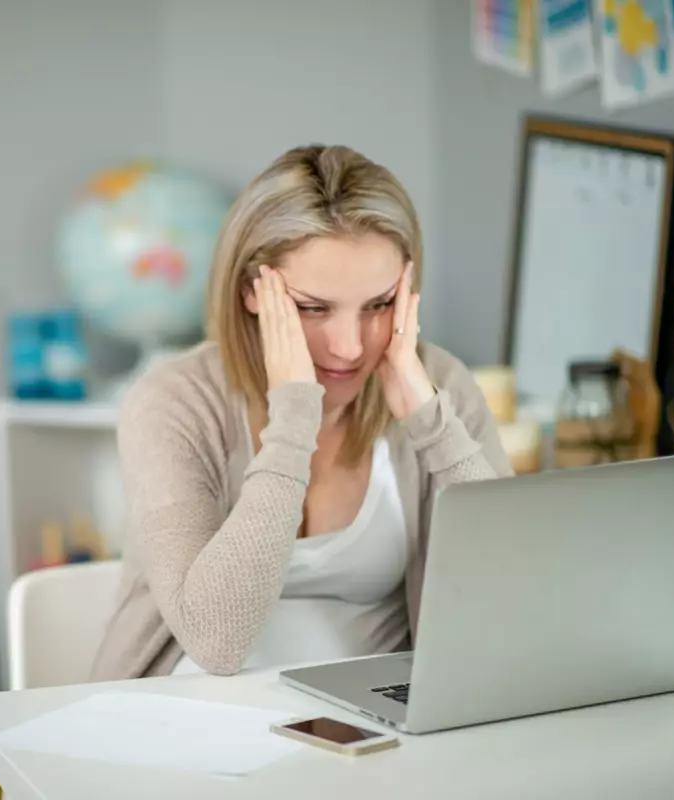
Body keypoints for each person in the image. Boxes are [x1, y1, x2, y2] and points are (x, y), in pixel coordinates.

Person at [90, 144, 513, 681]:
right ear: (251, 291)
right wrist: (293, 419)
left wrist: (432, 424)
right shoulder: (174, 402)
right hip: (190, 722)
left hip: (371, 739)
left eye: (379, 305)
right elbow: (216, 641)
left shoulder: (441, 385)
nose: (349, 347)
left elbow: (509, 604)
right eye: (314, 308)